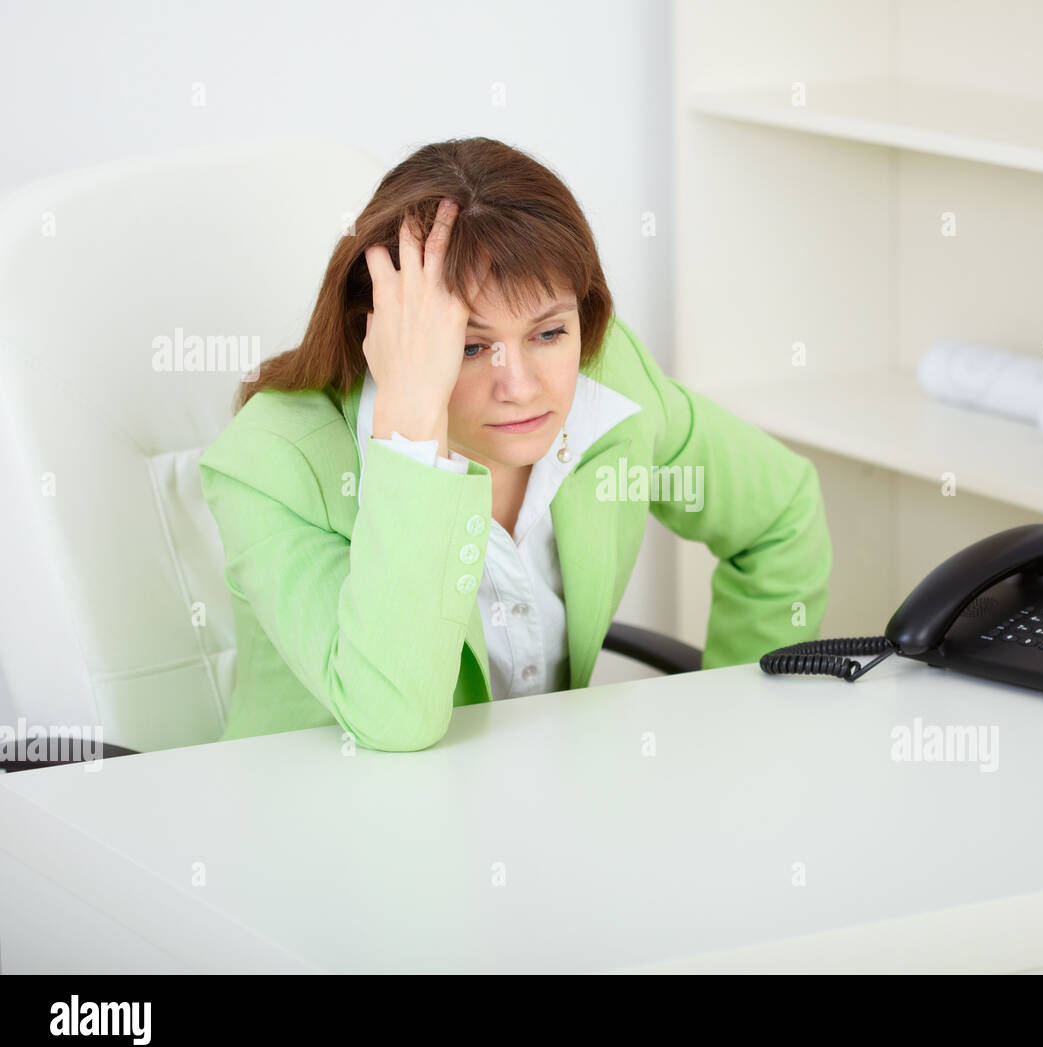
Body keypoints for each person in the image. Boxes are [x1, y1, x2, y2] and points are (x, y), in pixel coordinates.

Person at [199, 136, 832, 751]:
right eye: (471, 346)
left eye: (549, 332)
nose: (522, 385)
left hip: (543, 820)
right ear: (384, 335)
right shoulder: (272, 464)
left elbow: (780, 515)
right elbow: (391, 720)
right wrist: (411, 428)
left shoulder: (609, 385)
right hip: (329, 832)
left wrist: (737, 727)